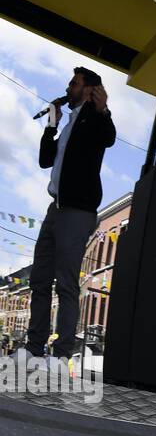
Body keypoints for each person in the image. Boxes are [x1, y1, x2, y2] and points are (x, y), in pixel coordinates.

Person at [11, 68, 115, 375]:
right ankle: (33, 350)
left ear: (88, 90)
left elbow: (108, 138)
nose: (68, 88)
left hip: (78, 211)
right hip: (54, 208)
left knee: (66, 284)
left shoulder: (94, 118)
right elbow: (45, 160)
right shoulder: (68, 123)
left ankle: (60, 357)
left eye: (74, 83)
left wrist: (103, 108)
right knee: (40, 280)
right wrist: (51, 124)